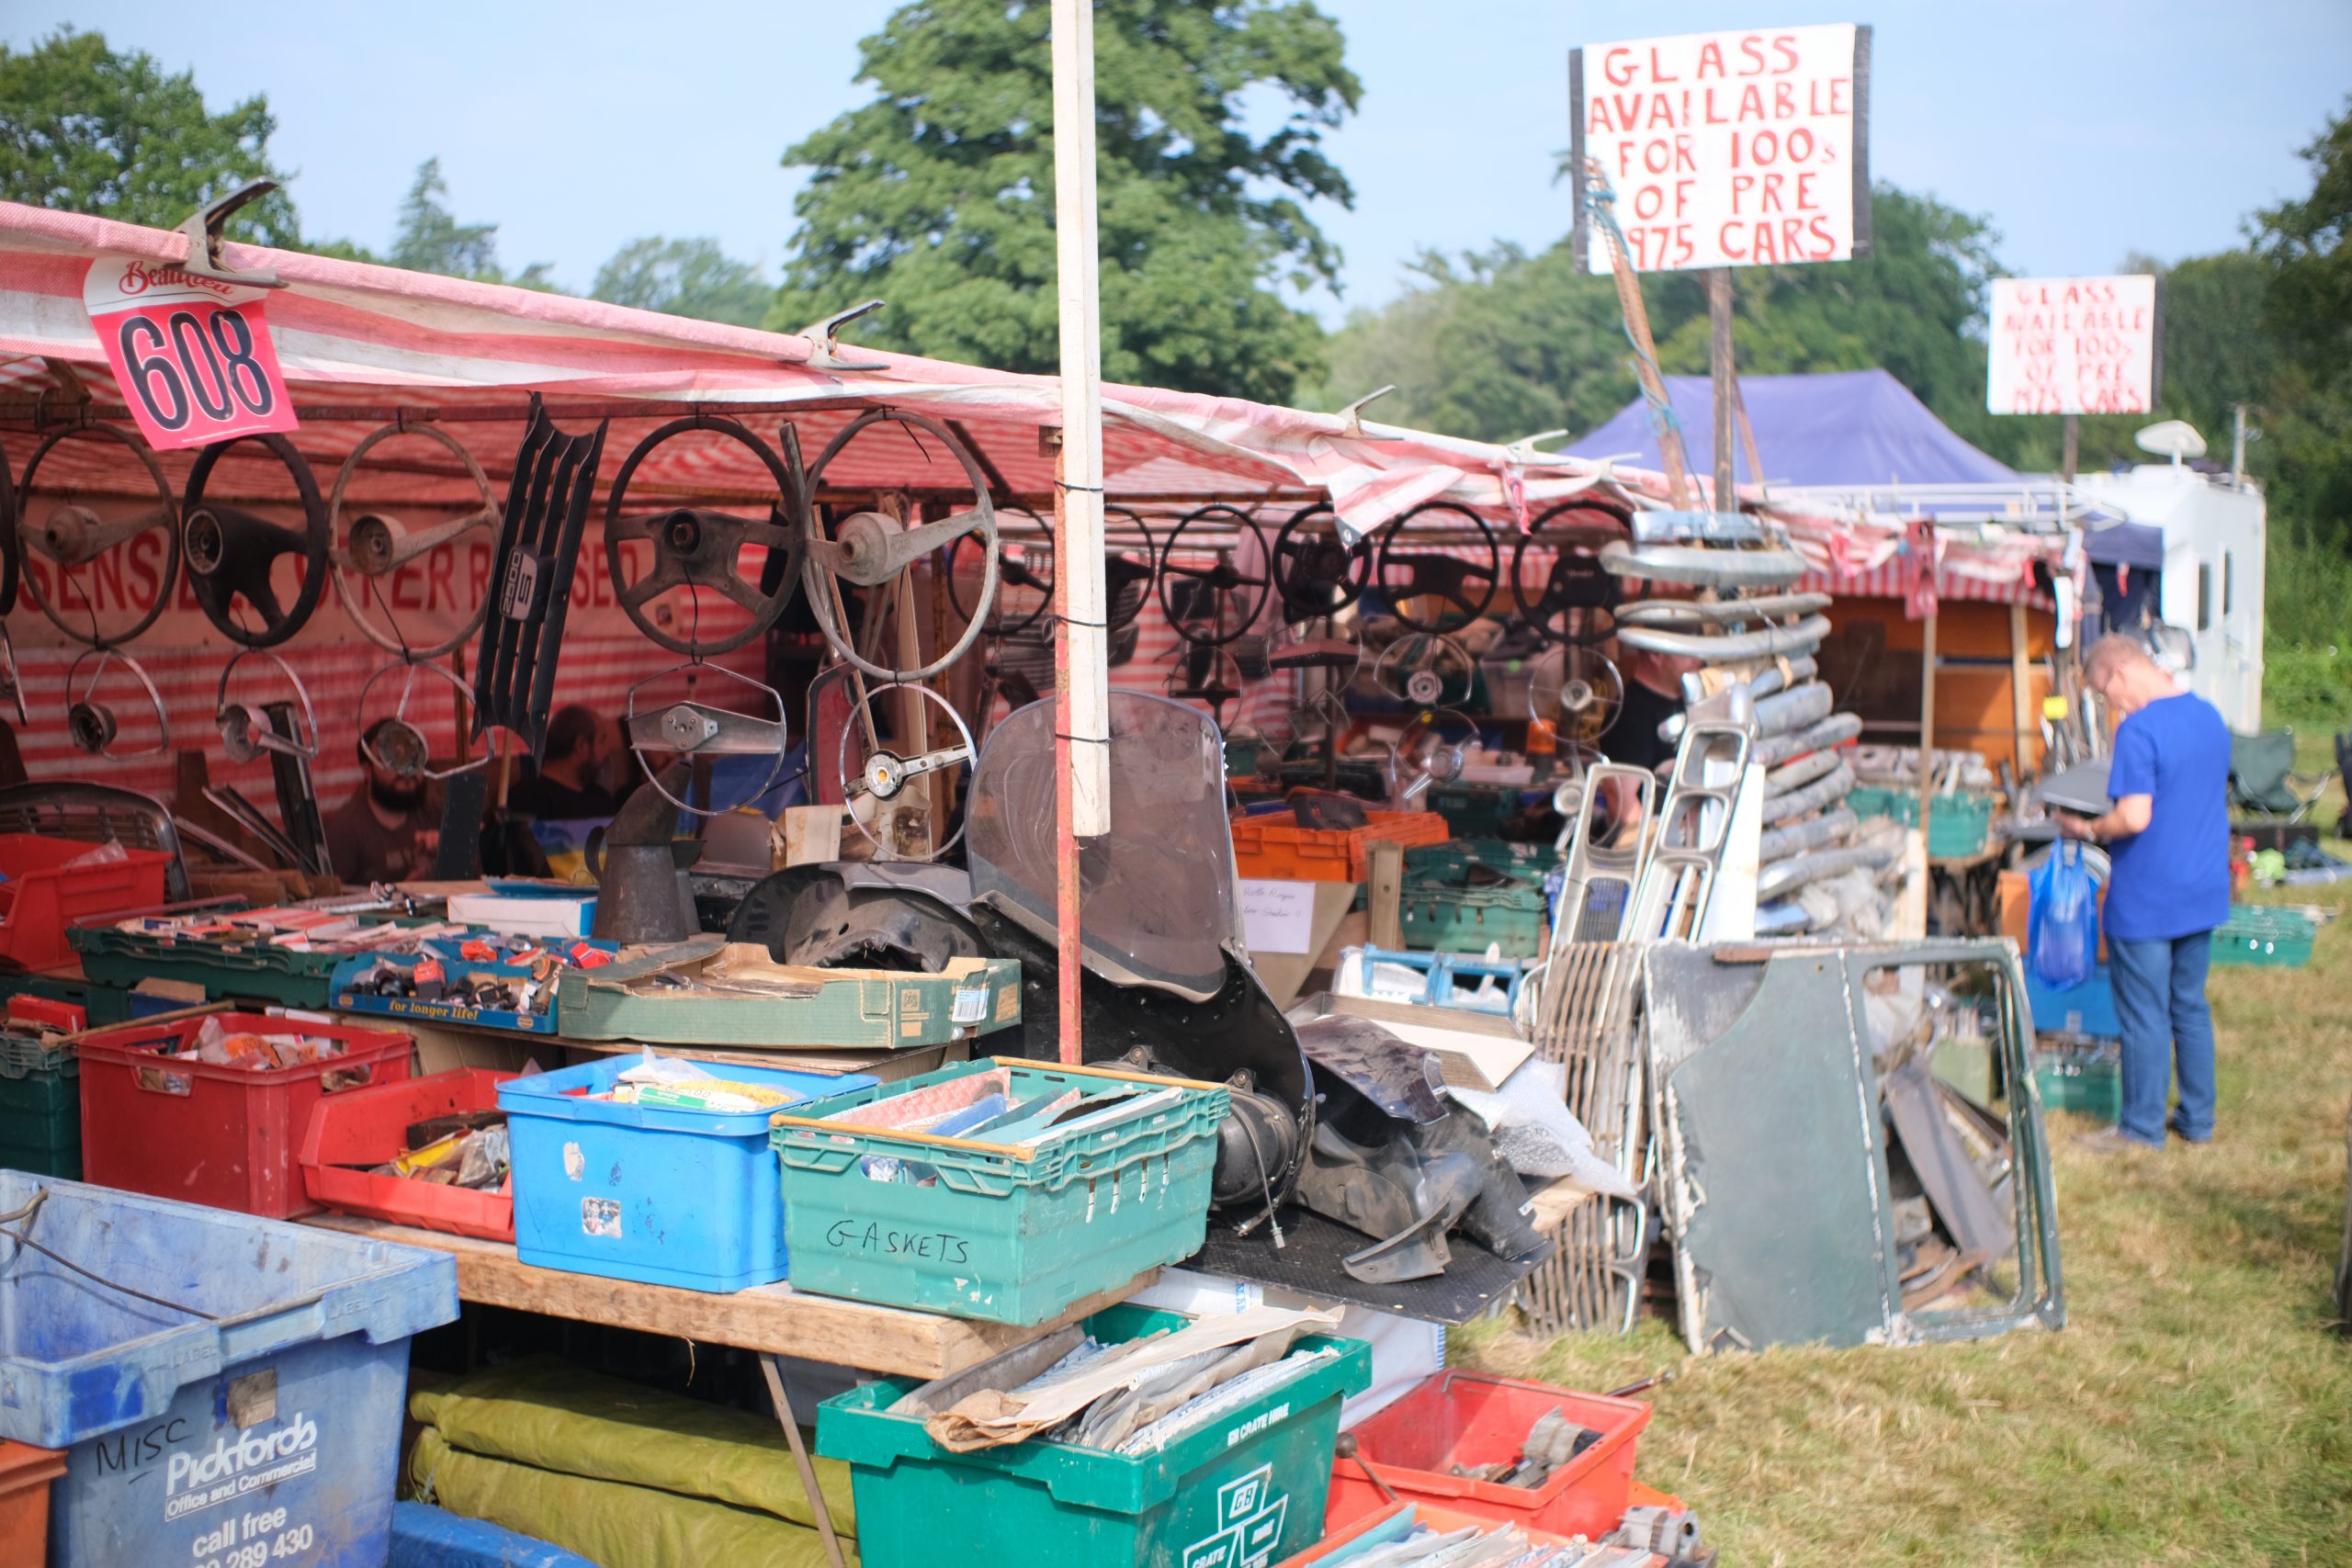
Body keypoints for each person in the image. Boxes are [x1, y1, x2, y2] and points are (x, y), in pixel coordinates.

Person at [2058, 633, 2231, 1154]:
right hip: (2201, 889)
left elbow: (2134, 815)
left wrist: (2086, 829)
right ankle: (2198, 1121)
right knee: (2189, 1007)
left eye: (2105, 696)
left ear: (2117, 676)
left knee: (2144, 1014)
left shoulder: (2139, 729)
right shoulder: (2208, 716)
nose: (2111, 706)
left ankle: (2141, 1127)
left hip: (2149, 897)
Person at [323, 719, 440, 885]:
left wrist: (447, 849)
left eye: (413, 758)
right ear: (367, 770)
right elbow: (329, 902)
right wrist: (400, 895)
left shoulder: (434, 814)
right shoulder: (343, 831)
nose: (406, 771)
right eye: (392, 760)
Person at [509, 705, 628, 820]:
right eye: (602, 741)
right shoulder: (528, 799)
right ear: (581, 745)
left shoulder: (602, 799)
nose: (607, 751)